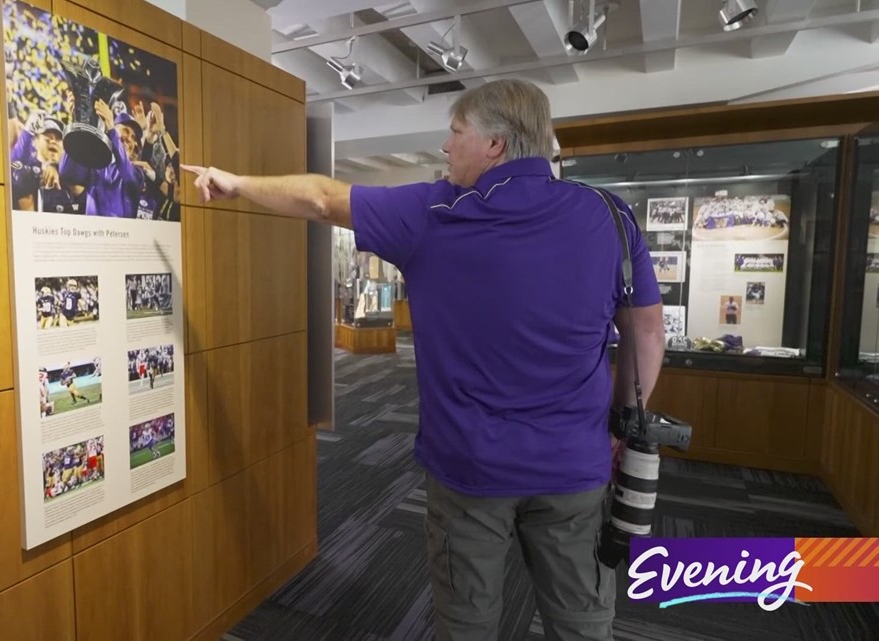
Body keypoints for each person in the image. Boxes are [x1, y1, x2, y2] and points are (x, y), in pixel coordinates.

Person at [183, 78, 666, 641]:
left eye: (456, 132)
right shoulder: (609, 215)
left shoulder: (434, 213)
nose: (445, 145)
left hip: (469, 467)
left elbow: (320, 198)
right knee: (581, 623)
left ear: (495, 144)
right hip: (574, 465)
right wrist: (618, 425)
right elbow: (647, 332)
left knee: (468, 625)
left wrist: (236, 182)